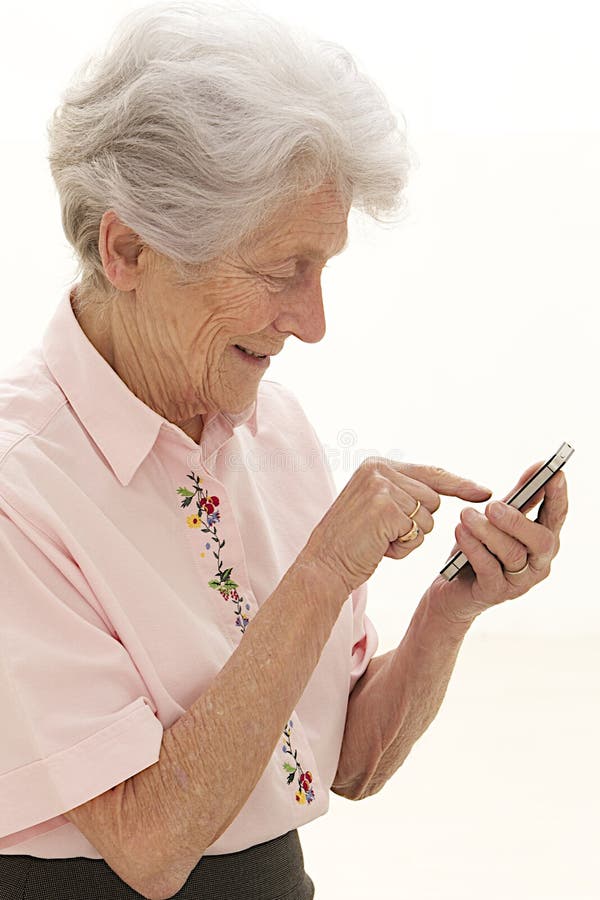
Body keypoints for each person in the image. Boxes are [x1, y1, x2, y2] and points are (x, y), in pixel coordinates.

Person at [0, 1, 569, 898]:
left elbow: (344, 762)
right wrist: (320, 571)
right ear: (129, 249)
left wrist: (452, 607)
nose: (313, 323)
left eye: (324, 268)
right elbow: (151, 845)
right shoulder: (18, 486)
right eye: (279, 271)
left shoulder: (275, 428)